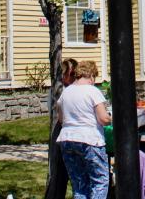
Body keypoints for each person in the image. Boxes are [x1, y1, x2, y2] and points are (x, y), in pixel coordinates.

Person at [56, 61, 111, 199]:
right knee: (100, 180)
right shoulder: (93, 91)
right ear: (91, 76)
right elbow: (103, 119)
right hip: (90, 140)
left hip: (67, 140)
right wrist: (112, 117)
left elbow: (61, 119)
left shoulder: (65, 93)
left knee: (79, 184)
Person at [45, 58, 78, 199]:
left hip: (76, 134)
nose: (71, 78)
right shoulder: (58, 90)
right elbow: (58, 115)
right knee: (59, 175)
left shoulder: (78, 89)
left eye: (74, 74)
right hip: (62, 133)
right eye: (69, 74)